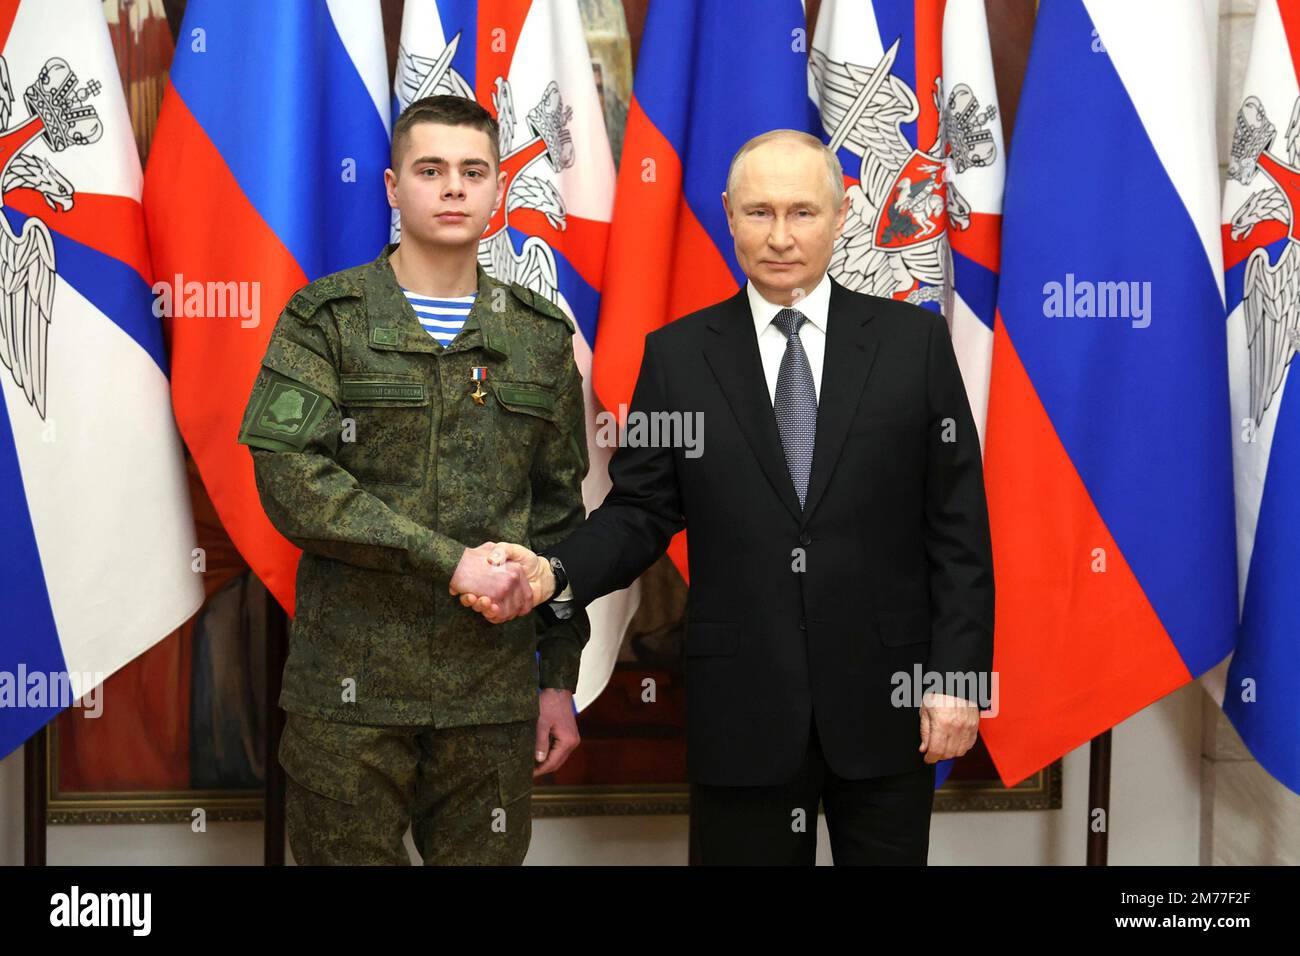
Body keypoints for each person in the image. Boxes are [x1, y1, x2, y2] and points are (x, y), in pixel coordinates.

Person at [455, 129, 995, 865]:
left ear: (842, 216)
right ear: (728, 217)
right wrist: (556, 574)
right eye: (759, 212)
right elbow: (640, 511)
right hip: (743, 714)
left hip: (889, 707)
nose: (780, 236)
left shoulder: (915, 345)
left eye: (802, 212)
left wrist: (959, 682)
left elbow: (958, 531)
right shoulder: (678, 356)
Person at [236, 95, 589, 865]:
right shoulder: (325, 318)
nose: (454, 188)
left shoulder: (538, 336)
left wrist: (557, 678)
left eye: (473, 171)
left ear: (499, 188)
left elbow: (560, 520)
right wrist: (449, 560)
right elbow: (292, 480)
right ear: (394, 187)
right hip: (349, 695)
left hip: (490, 699)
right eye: (431, 170)